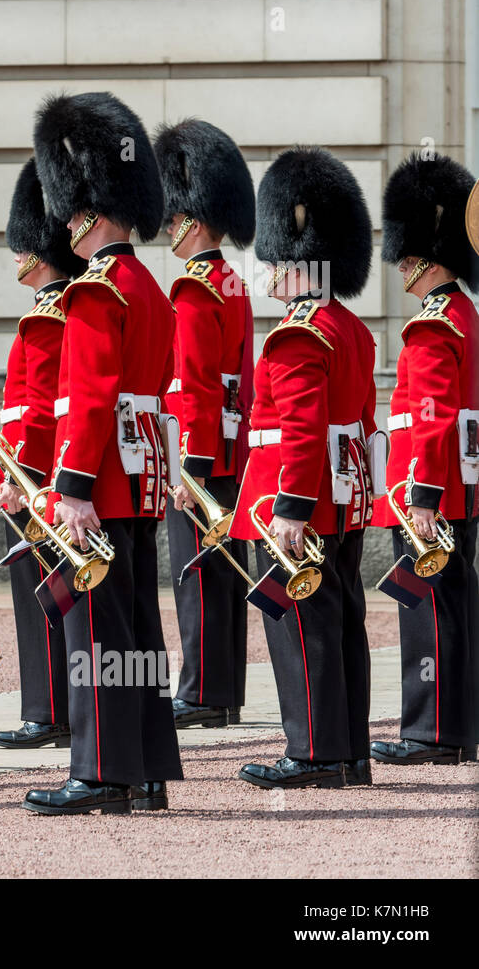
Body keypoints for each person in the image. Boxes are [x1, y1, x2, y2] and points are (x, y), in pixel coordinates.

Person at [23, 91, 183, 815]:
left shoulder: (95, 292)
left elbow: (86, 398)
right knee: (138, 626)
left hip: (103, 483)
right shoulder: (148, 289)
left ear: (86, 210)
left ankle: (98, 772)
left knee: (97, 629)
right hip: (141, 481)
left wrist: (73, 486)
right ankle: (145, 769)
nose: (63, 222)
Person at [232, 147, 378, 790]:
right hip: (342, 499)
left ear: (296, 261)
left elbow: (300, 428)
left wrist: (290, 507)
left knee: (301, 628)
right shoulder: (351, 329)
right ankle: (348, 753)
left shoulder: (298, 333)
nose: (265, 272)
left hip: (296, 505)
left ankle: (314, 755)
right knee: (341, 623)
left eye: (273, 262)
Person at [369, 154, 478, 767]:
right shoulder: (463, 315)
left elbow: (431, 419)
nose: (402, 266)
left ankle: (430, 732)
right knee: (453, 609)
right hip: (454, 491)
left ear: (430, 256)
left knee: (429, 614)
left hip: (429, 494)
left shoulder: (433, 325)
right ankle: (454, 727)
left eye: (409, 256)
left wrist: (421, 498)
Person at [153, 118, 256, 728]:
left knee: (195, 576)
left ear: (191, 219)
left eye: (172, 218)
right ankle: (223, 692)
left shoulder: (193, 291)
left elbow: (190, 385)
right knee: (221, 577)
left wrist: (186, 466)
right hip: (232, 449)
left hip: (199, 455)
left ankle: (201, 692)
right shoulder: (234, 284)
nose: (167, 227)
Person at [0, 160, 84, 750]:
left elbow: (40, 412)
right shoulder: (59, 309)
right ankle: (56, 710)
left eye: (23, 245)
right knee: (56, 593)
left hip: (38, 483)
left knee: (43, 598)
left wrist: (20, 476)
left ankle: (47, 712)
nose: (15, 254)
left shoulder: (47, 317)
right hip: (40, 476)